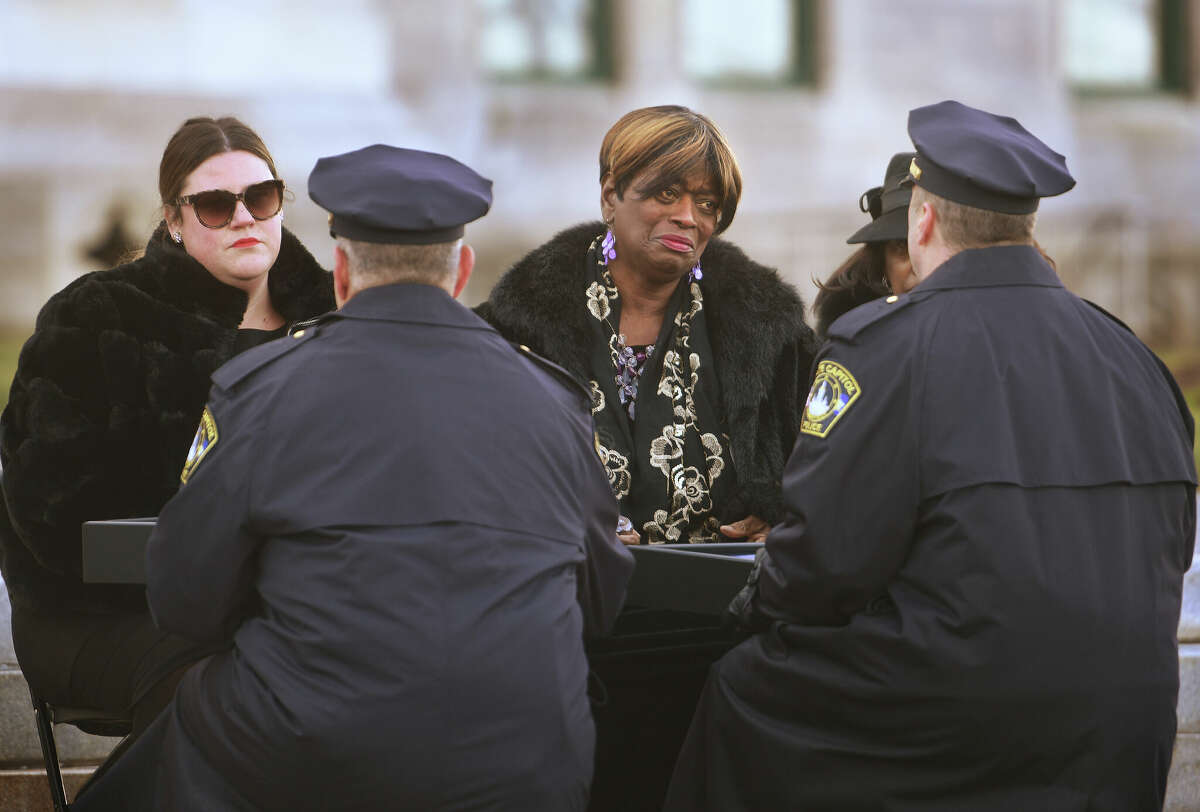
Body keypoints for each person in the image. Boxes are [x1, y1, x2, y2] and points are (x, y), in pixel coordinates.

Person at [665, 100, 1198, 811]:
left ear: (921, 220)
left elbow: (819, 567)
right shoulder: (1133, 356)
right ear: (1026, 228)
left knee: (742, 683)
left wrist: (749, 607)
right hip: (1127, 724)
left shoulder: (882, 345)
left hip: (958, 721)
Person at [73, 144, 635, 811]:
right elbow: (601, 600)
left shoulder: (261, 392)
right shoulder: (554, 398)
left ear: (340, 271)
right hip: (527, 766)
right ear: (462, 272)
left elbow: (185, 598)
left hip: (312, 758)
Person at [0, 116, 333, 750]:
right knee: (229, 674)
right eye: (214, 204)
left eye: (261, 198)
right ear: (174, 221)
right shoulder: (97, 316)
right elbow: (48, 511)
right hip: (100, 614)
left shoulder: (333, 326)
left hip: (289, 610)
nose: (244, 218)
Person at [479, 105, 816, 547]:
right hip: (569, 601)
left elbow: (825, 472)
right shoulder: (512, 330)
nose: (687, 217)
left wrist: (785, 519)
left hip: (718, 604)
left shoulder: (773, 335)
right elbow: (479, 478)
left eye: (707, 204)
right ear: (610, 195)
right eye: (666, 194)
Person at [812, 151, 917, 337]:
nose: (919, 263)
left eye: (930, 245)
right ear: (881, 260)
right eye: (902, 247)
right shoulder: (847, 338)